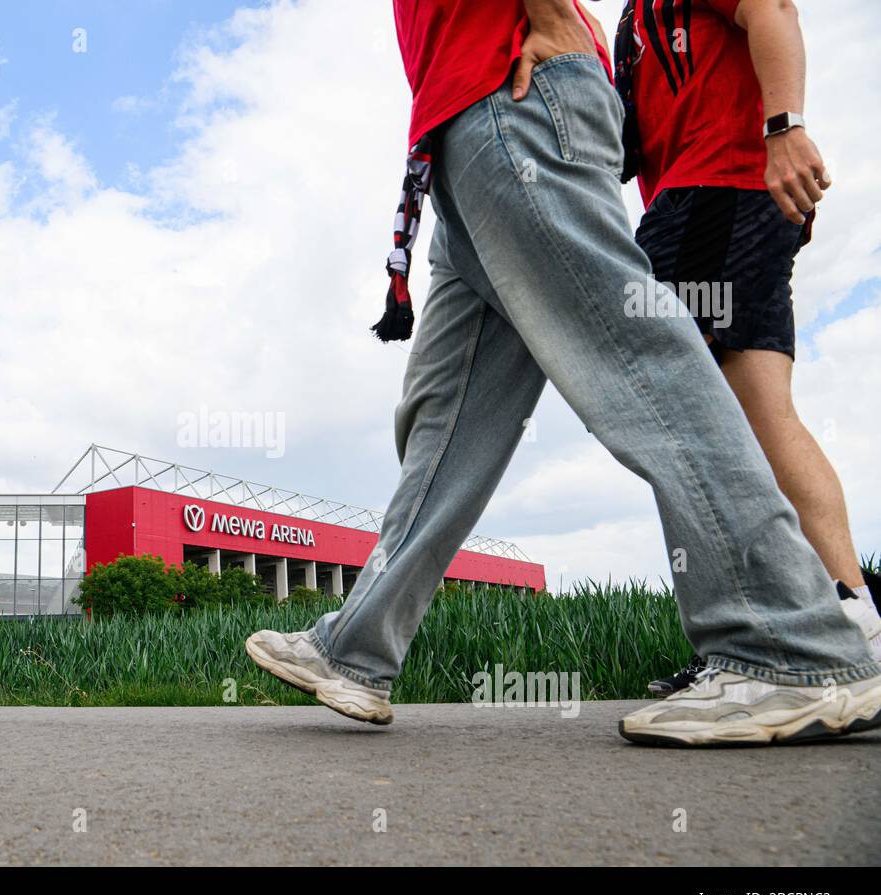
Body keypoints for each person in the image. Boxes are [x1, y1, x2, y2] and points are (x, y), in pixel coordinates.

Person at [243, 0, 881, 746]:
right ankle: (354, 647)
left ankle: (791, 645)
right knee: (446, 421)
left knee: (635, 357)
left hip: (513, 101)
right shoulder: (635, 29)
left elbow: (771, 9)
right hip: (463, 132)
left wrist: (546, 16)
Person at [609, 0, 881, 698]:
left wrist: (785, 130)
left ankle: (754, 638)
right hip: (722, 202)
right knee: (761, 411)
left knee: (678, 408)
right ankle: (852, 616)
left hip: (713, 193)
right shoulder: (633, 19)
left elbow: (772, 8)